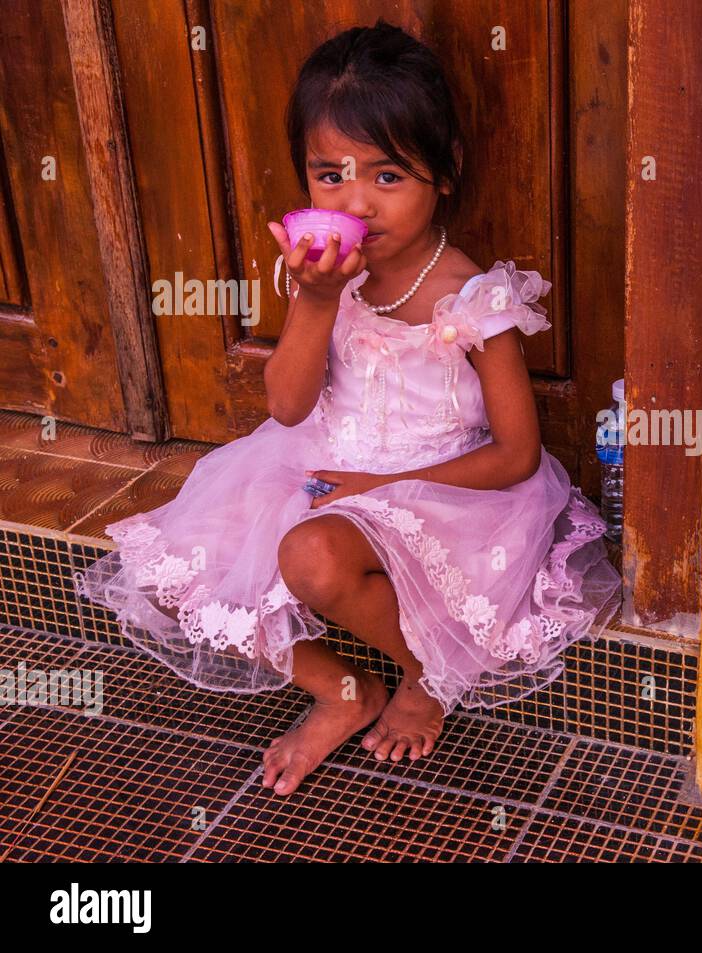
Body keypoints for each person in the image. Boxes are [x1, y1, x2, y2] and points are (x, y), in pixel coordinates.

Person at [74, 20, 620, 797]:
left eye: (388, 176)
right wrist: (317, 298)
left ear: (446, 172)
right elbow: (287, 406)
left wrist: (372, 492)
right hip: (318, 462)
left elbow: (517, 456)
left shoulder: (472, 298)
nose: (356, 202)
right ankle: (341, 689)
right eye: (330, 175)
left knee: (311, 556)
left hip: (445, 491)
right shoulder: (319, 276)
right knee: (171, 565)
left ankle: (425, 672)